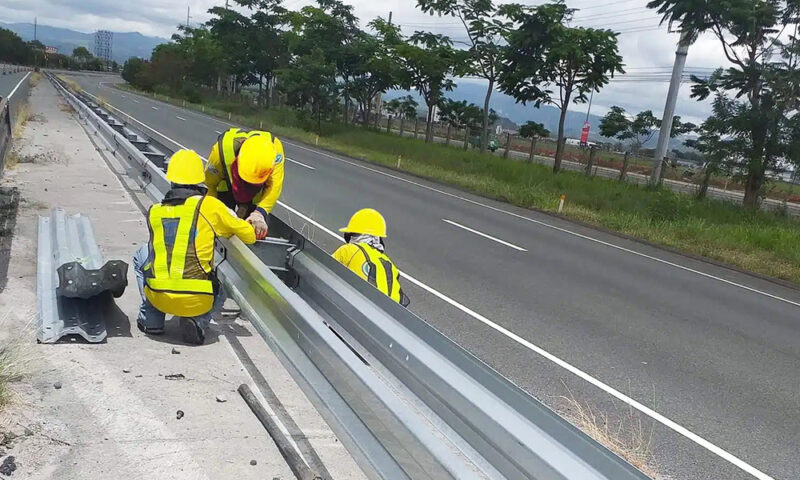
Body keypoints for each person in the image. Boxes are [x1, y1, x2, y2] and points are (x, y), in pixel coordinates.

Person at [132, 149, 256, 345]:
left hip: (159, 296)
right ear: (200, 180)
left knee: (142, 255)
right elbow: (249, 236)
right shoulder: (210, 206)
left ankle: (151, 319)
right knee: (223, 281)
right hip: (198, 299)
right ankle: (198, 320)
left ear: (171, 179)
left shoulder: (155, 211)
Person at [205, 127, 285, 240]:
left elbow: (274, 186)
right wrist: (212, 210)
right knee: (221, 226)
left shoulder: (274, 151)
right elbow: (211, 184)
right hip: (227, 186)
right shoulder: (219, 152)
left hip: (257, 193)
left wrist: (260, 212)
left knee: (253, 231)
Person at [333, 209, 410, 307]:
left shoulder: (348, 250)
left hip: (357, 309)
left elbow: (323, 270)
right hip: (389, 318)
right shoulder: (389, 264)